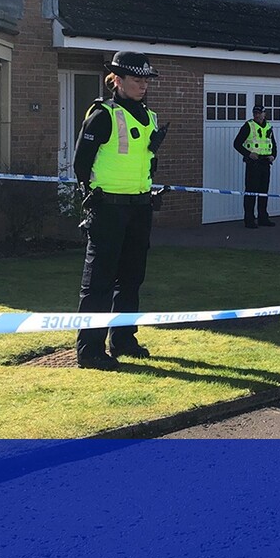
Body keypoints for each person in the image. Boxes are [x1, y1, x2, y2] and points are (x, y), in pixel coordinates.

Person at [71, 51, 166, 370]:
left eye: (145, 80)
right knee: (98, 281)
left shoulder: (148, 117)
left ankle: (124, 338)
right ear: (117, 80)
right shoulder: (104, 114)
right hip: (108, 207)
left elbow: (147, 160)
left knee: (131, 278)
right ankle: (90, 350)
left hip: (139, 207)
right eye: (136, 80)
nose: (142, 85)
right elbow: (80, 163)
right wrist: (90, 195)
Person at [233, 104, 278, 229]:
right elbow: (236, 143)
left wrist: (273, 156)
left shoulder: (268, 127)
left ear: (264, 114)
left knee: (264, 193)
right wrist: (248, 154)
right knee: (251, 192)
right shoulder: (248, 126)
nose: (257, 115)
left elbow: (273, 144)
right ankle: (249, 220)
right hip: (253, 164)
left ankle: (263, 218)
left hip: (265, 163)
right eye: (255, 113)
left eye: (259, 113)